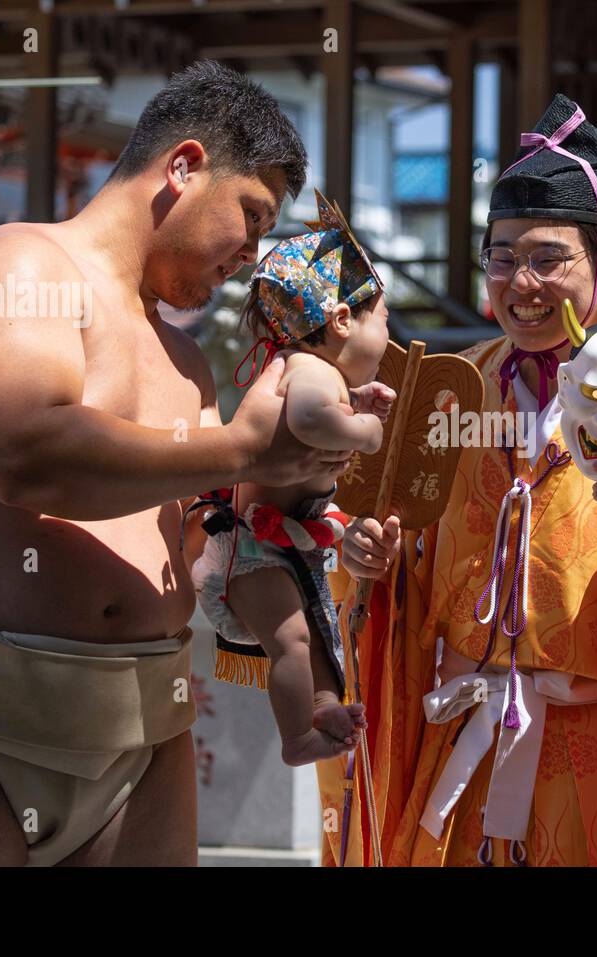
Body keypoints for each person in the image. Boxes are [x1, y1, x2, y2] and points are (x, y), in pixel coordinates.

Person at [0, 61, 348, 867]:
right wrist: (241, 448)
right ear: (184, 167)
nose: (252, 255)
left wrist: (313, 522)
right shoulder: (19, 266)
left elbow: (214, 541)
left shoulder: (187, 362)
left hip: (143, 732)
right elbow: (26, 454)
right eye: (250, 216)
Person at [323, 94, 597, 866]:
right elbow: (398, 547)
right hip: (462, 733)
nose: (520, 282)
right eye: (501, 258)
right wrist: (369, 557)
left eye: (547, 258)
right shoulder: (446, 391)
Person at [188, 191, 394, 767]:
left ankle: (323, 705)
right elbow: (307, 418)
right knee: (293, 642)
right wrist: (365, 432)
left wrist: (351, 402)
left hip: (277, 544)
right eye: (383, 319)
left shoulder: (311, 369)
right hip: (251, 548)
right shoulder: (309, 368)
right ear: (342, 319)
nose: (388, 334)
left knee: (315, 639)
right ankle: (296, 737)